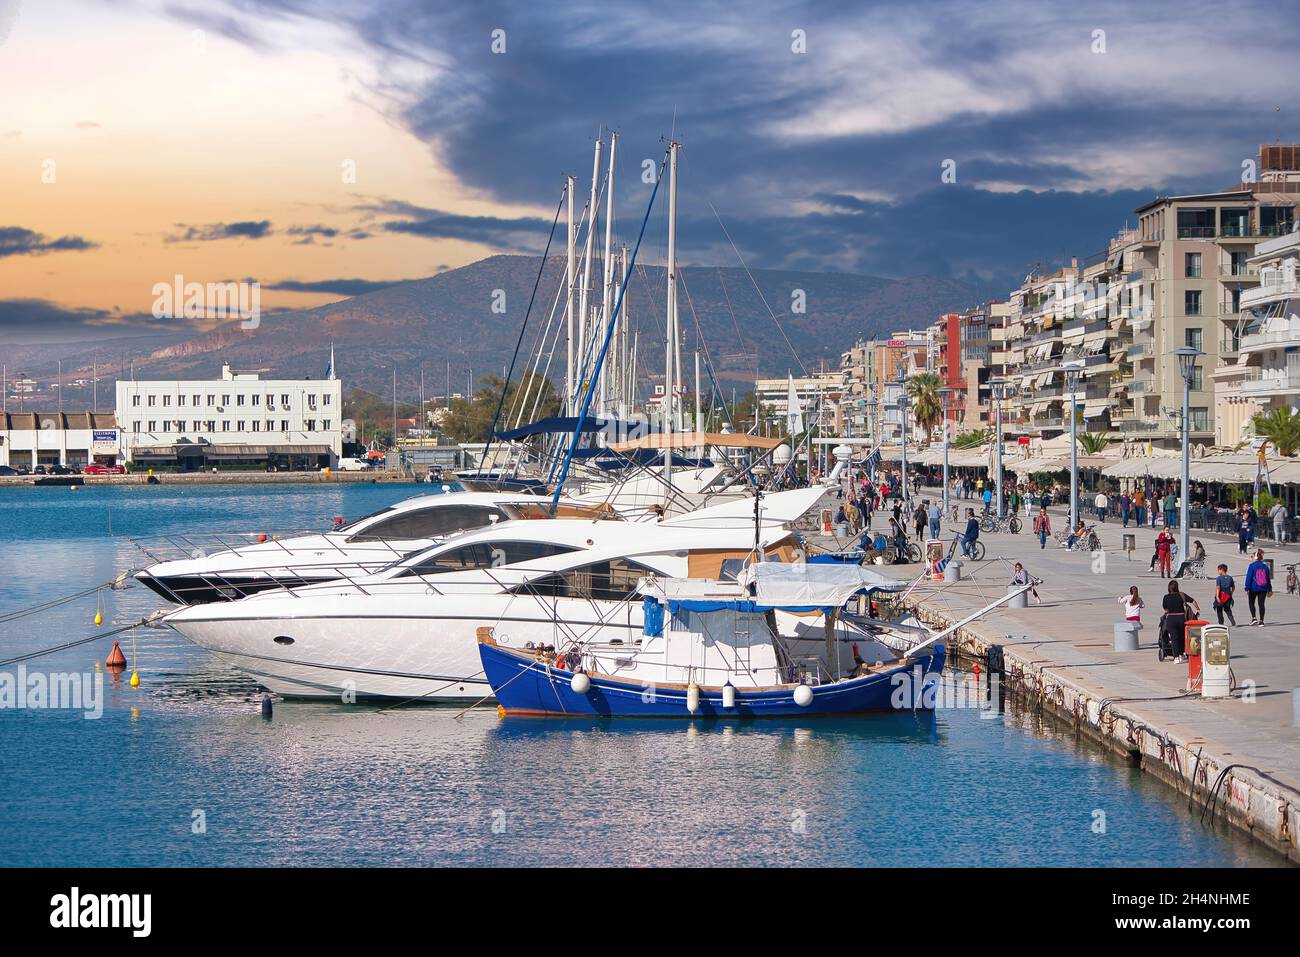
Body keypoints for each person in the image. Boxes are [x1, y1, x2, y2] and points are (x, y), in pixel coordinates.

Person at [1160, 580, 1190, 662]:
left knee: (1174, 638)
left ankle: (1176, 657)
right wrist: (1198, 609)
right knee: (1181, 637)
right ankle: (1181, 654)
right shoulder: (1181, 595)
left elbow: (1165, 608)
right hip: (1181, 618)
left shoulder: (1166, 597)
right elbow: (1192, 600)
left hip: (1171, 618)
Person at [1244, 549, 1272, 626]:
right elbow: (1267, 578)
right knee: (1261, 604)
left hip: (1253, 588)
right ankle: (1261, 621)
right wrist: (1270, 589)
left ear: (1255, 558)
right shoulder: (1265, 566)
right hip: (1263, 588)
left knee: (1251, 602)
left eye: (1252, 557)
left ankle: (1254, 618)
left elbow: (1248, 577)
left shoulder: (1252, 566)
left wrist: (1247, 588)